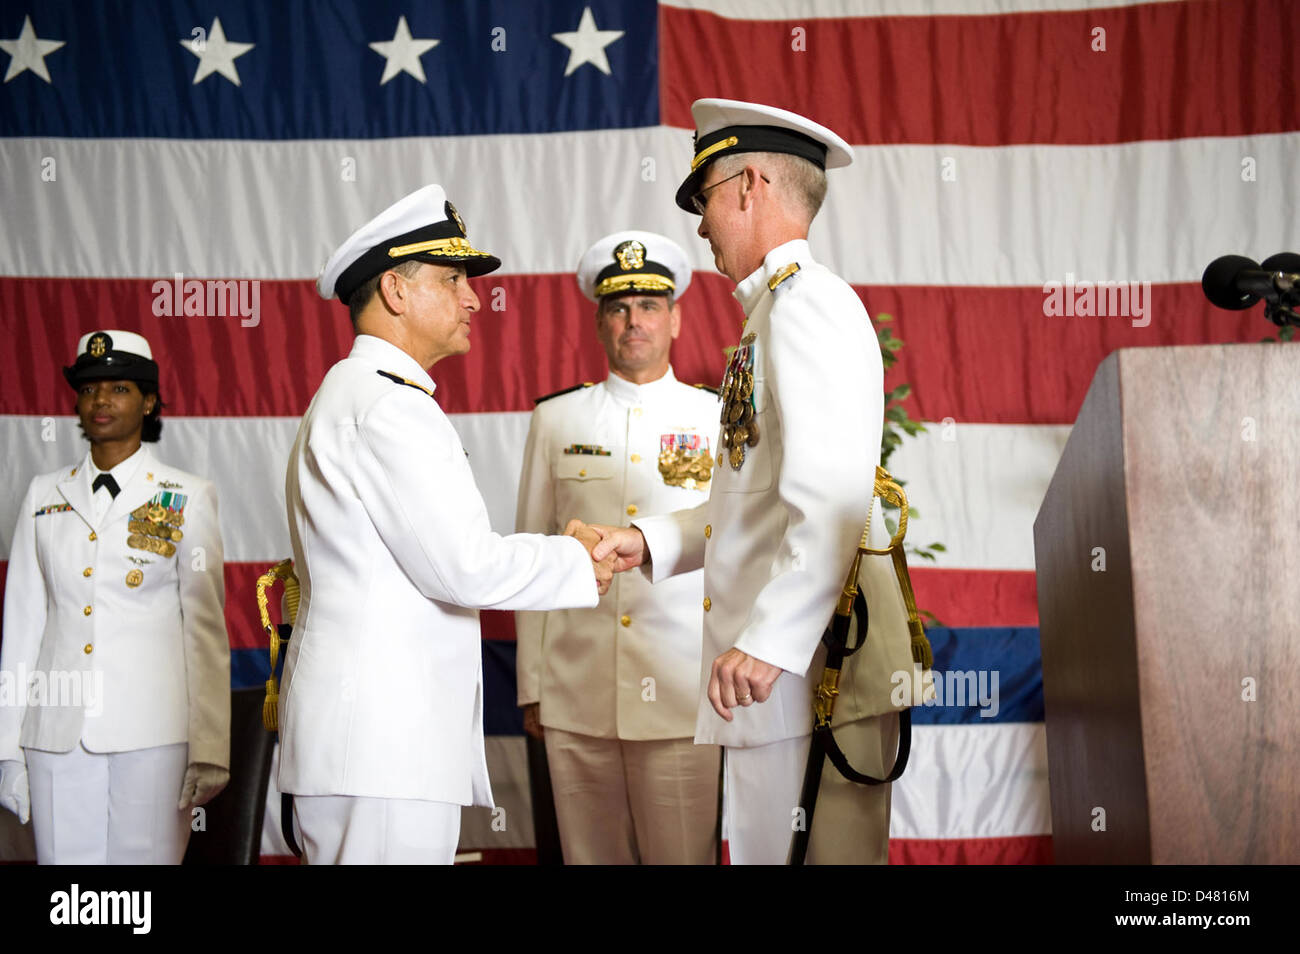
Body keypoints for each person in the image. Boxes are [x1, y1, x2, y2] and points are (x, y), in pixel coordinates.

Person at [589, 100, 917, 864]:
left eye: (704, 198)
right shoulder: (774, 311)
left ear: (747, 184)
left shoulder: (805, 307)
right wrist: (647, 541)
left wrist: (770, 642)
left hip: (804, 673)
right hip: (783, 681)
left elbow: (833, 499)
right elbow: (755, 502)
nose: (701, 225)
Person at [279, 184, 614, 865]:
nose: (472, 298)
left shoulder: (364, 394)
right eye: (452, 279)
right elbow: (463, 566)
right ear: (397, 293)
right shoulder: (387, 406)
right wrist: (576, 559)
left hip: (377, 750)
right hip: (380, 750)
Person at [515, 230, 721, 864]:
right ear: (600, 322)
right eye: (618, 307)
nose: (635, 321)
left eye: (649, 305)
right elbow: (533, 550)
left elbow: (732, 541)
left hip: (682, 689)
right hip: (577, 692)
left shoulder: (716, 417)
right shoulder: (557, 419)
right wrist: (533, 685)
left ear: (677, 318)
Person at [0, 330, 231, 864]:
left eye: (119, 388)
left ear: (148, 401)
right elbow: (22, 627)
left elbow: (204, 634)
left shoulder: (187, 496)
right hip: (55, 732)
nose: (101, 400)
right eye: (89, 389)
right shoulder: (43, 495)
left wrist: (211, 747)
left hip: (154, 733)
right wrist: (8, 749)